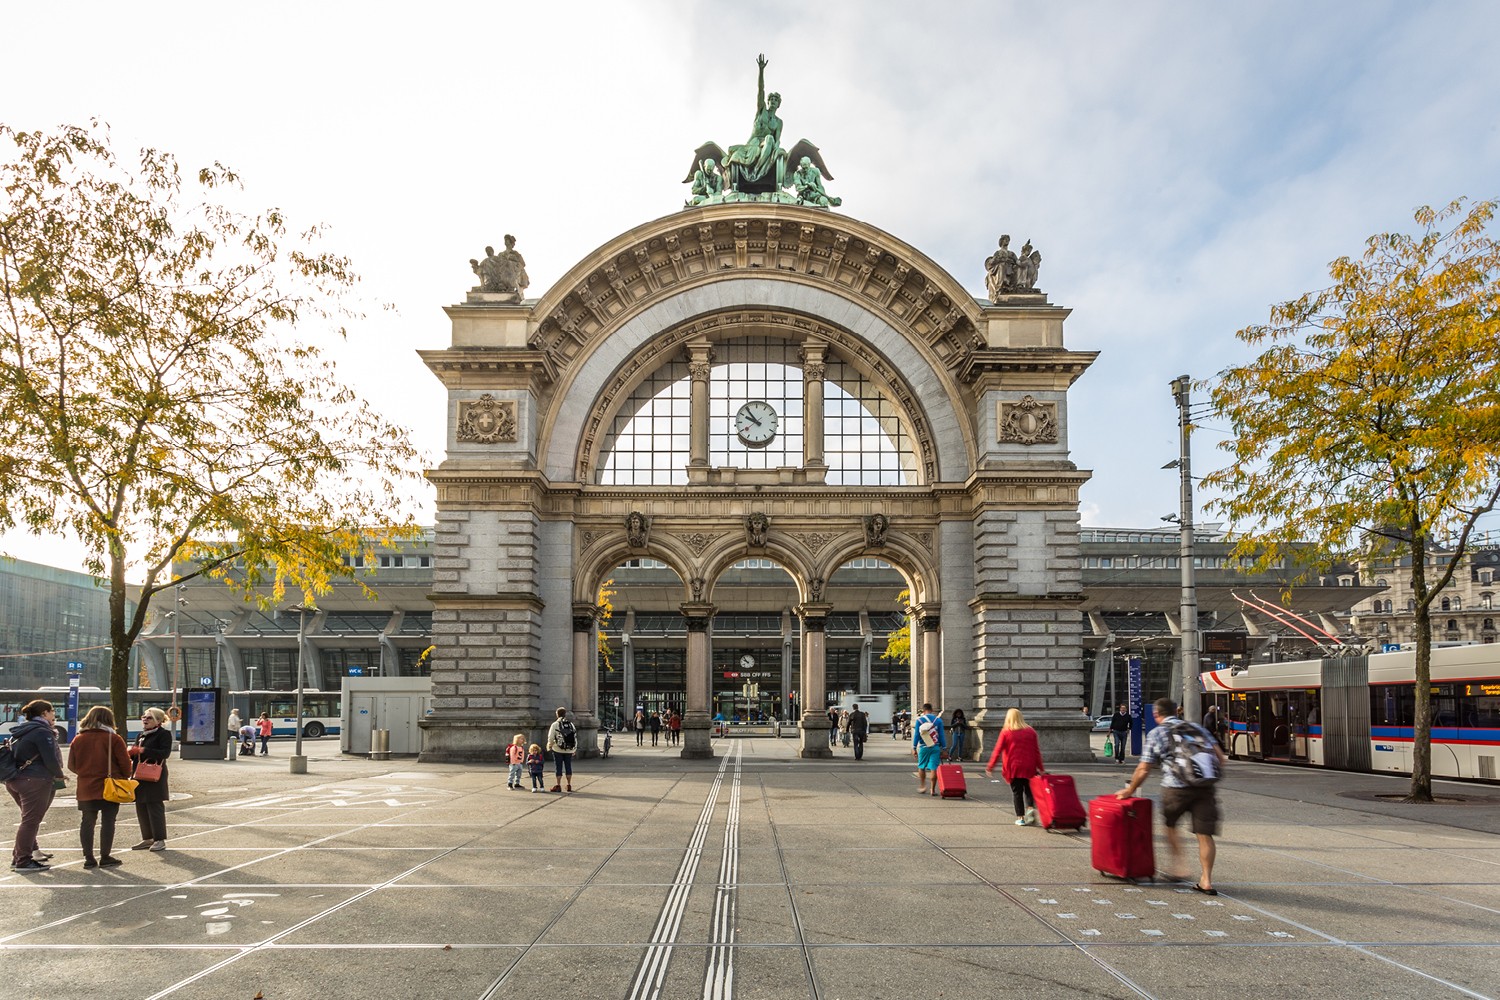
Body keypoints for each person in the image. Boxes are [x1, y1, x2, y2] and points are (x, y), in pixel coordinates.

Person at [1117, 697, 1228, 894]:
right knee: (1205, 835)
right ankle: (1206, 880)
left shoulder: (1157, 733)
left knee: (1170, 826)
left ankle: (1180, 867)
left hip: (1175, 788)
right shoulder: (1197, 729)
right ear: (1177, 711)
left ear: (1156, 714)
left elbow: (1144, 768)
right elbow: (1220, 758)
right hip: (1204, 788)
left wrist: (1129, 790)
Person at [67, 705, 132, 869]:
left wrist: (84, 773)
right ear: (109, 720)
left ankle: (88, 858)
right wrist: (123, 776)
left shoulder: (78, 738)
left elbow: (71, 765)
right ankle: (105, 856)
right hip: (109, 785)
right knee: (108, 821)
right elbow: (125, 764)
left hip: (86, 787)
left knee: (87, 822)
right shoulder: (113, 738)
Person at [5, 699, 64, 871]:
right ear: (44, 713)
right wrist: (59, 775)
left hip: (15, 779)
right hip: (35, 780)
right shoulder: (42, 732)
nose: (54, 714)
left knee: (29, 820)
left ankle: (19, 858)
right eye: (52, 710)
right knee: (31, 821)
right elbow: (50, 758)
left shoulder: (21, 730)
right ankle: (23, 861)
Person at [986, 708, 1043, 825]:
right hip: (1029, 767)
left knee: (1017, 793)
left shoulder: (1006, 732)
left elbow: (998, 750)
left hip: (1014, 767)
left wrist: (990, 766)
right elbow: (1036, 751)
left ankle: (1021, 818)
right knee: (1029, 790)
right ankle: (1030, 809)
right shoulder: (1031, 731)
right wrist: (1041, 768)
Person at [130, 706, 172, 851]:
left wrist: (143, 750)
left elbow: (164, 753)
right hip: (139, 775)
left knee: (155, 807)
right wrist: (131, 752)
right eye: (144, 717)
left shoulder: (163, 734)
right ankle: (147, 838)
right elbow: (137, 754)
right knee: (141, 806)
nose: (145, 720)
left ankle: (159, 839)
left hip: (154, 775)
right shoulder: (141, 735)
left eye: (149, 718)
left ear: (158, 721)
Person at [911, 702, 945, 796]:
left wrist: (914, 747)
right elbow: (941, 735)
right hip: (935, 746)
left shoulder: (919, 720)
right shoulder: (938, 720)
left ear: (923, 710)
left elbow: (917, 735)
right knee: (934, 767)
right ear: (932, 710)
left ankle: (923, 786)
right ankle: (932, 790)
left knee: (921, 766)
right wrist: (944, 748)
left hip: (923, 747)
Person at [546, 707, 577, 793]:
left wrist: (550, 745)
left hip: (557, 749)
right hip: (569, 749)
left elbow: (551, 737)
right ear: (565, 714)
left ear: (557, 714)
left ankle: (558, 785)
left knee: (558, 767)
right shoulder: (571, 724)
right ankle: (569, 785)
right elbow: (574, 737)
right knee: (568, 766)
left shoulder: (555, 724)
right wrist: (574, 749)